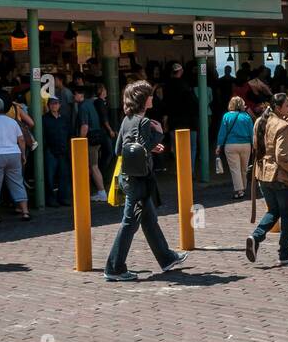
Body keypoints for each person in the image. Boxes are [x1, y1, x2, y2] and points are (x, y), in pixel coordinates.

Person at [104, 81, 188, 281]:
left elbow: (120, 150)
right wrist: (158, 134)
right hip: (140, 181)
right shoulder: (143, 122)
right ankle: (114, 268)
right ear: (143, 100)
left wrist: (149, 147)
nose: (152, 98)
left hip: (129, 178)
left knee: (149, 221)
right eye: (150, 95)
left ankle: (167, 258)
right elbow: (141, 146)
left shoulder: (127, 120)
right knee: (129, 223)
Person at [245, 92, 288, 266]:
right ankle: (285, 253)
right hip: (279, 175)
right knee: (286, 214)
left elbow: (257, 147)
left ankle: (256, 237)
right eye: (287, 105)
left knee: (273, 210)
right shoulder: (283, 127)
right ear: (278, 108)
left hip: (262, 173)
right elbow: (283, 157)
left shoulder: (259, 121)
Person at [0, 96, 30, 222]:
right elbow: (21, 139)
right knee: (17, 182)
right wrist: (23, 154)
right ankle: (25, 211)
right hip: (14, 154)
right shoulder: (12, 121)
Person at [162, 63, 200, 173]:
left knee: (177, 149)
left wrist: (165, 122)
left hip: (174, 122)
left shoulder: (166, 87)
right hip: (189, 122)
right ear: (181, 71)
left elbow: (165, 106)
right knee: (191, 148)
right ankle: (190, 171)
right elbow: (194, 103)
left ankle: (181, 172)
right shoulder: (186, 86)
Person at [216, 96, 254, 198]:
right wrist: (254, 145)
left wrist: (219, 146)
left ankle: (239, 190)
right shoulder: (246, 116)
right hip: (246, 145)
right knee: (244, 168)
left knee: (235, 169)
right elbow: (252, 132)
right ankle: (244, 188)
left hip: (231, 145)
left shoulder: (227, 116)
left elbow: (222, 133)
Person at [74, 87, 107, 202]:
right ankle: (96, 191)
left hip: (89, 140)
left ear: (80, 94)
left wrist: (80, 143)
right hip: (97, 138)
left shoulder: (82, 106)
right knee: (92, 166)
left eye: (75, 94)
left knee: (93, 166)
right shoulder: (90, 103)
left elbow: (84, 126)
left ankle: (101, 192)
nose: (74, 97)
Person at [42, 95, 71, 206]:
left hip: (63, 151)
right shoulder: (44, 119)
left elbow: (69, 134)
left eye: (56, 103)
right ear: (48, 105)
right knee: (49, 177)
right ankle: (50, 199)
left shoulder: (64, 119)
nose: (54, 105)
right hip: (50, 151)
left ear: (59, 105)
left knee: (64, 175)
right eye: (52, 103)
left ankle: (63, 198)